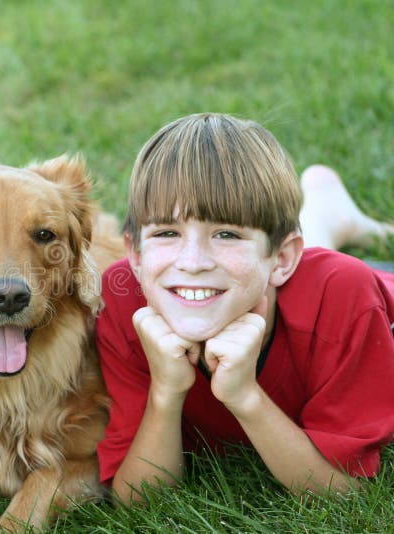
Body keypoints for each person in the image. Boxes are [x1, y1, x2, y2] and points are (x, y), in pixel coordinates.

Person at [95, 113, 394, 504]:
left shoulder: (344, 296)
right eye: (167, 233)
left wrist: (245, 396)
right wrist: (165, 392)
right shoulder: (122, 299)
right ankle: (323, 206)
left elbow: (343, 492)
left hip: (373, 302)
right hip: (264, 275)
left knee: (304, 272)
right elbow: (137, 500)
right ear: (134, 253)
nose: (193, 261)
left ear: (283, 257)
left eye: (226, 234)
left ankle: (324, 207)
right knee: (252, 271)